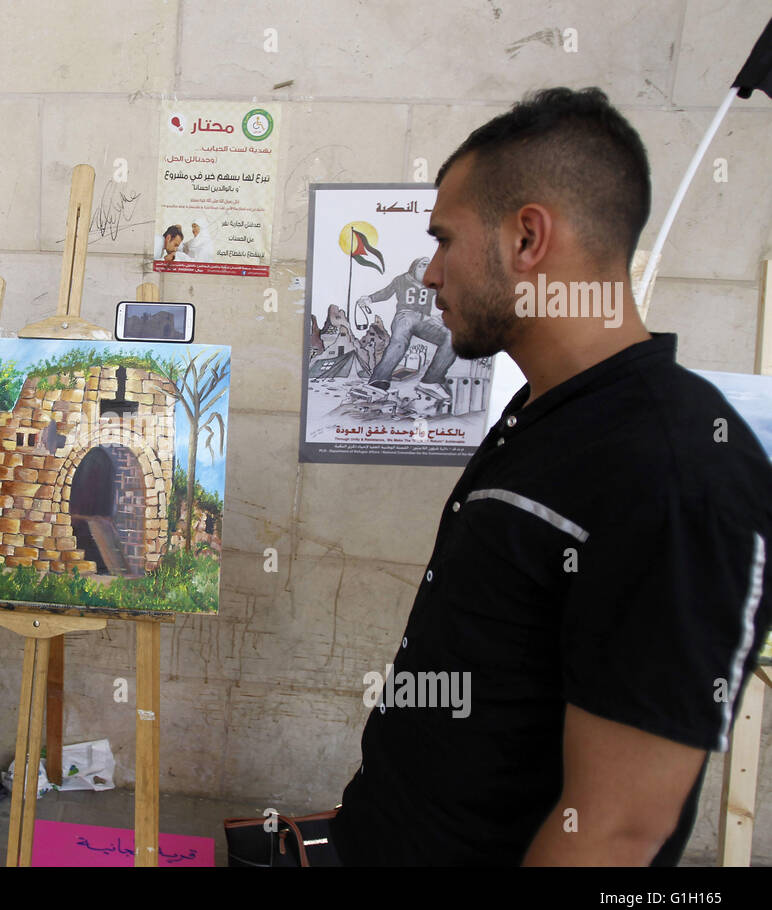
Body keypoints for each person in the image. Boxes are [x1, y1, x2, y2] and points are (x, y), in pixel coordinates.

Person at [331, 87, 772, 865]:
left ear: (528, 237)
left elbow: (617, 831)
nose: (429, 274)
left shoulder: (677, 469)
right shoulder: (546, 415)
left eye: (443, 240)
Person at [360, 256, 454, 400]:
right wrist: (369, 299)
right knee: (399, 340)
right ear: (414, 268)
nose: (426, 269)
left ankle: (431, 380)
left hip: (424, 320)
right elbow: (386, 293)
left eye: (429, 266)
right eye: (422, 265)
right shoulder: (401, 280)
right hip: (405, 316)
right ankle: (378, 381)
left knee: (453, 337)